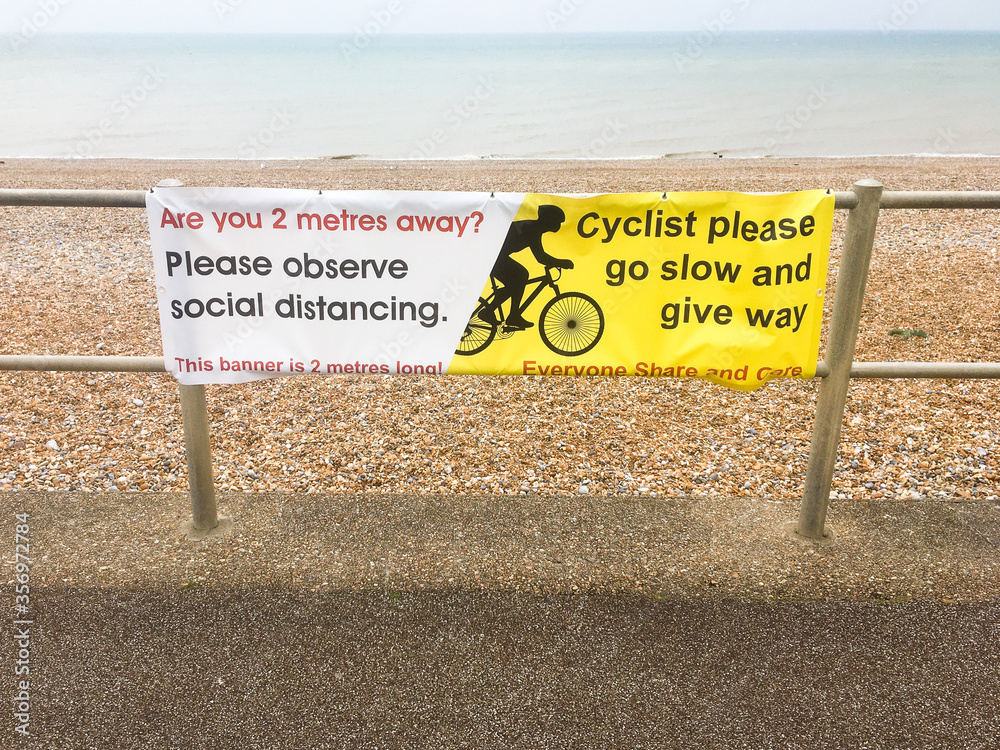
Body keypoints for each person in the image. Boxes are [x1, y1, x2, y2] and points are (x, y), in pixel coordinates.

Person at [481, 204, 574, 330]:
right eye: (557, 222)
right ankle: (509, 315)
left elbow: (541, 256)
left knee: (516, 281)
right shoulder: (532, 230)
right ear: (549, 220)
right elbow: (541, 258)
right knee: (521, 275)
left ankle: (498, 312)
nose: (558, 226)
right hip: (490, 255)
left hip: (492, 254)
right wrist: (562, 263)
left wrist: (558, 262)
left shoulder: (533, 227)